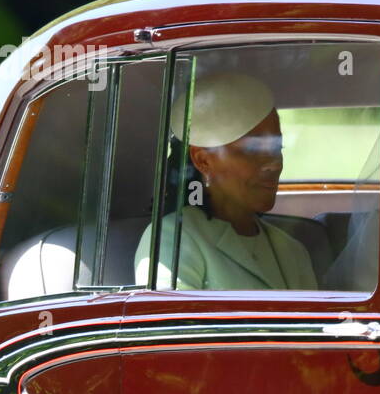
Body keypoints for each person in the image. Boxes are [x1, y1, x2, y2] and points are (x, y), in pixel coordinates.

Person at [134, 73, 318, 290]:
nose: (274, 164)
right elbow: (170, 321)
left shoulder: (292, 251)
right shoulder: (172, 240)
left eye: (278, 148)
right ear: (203, 161)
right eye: (254, 149)